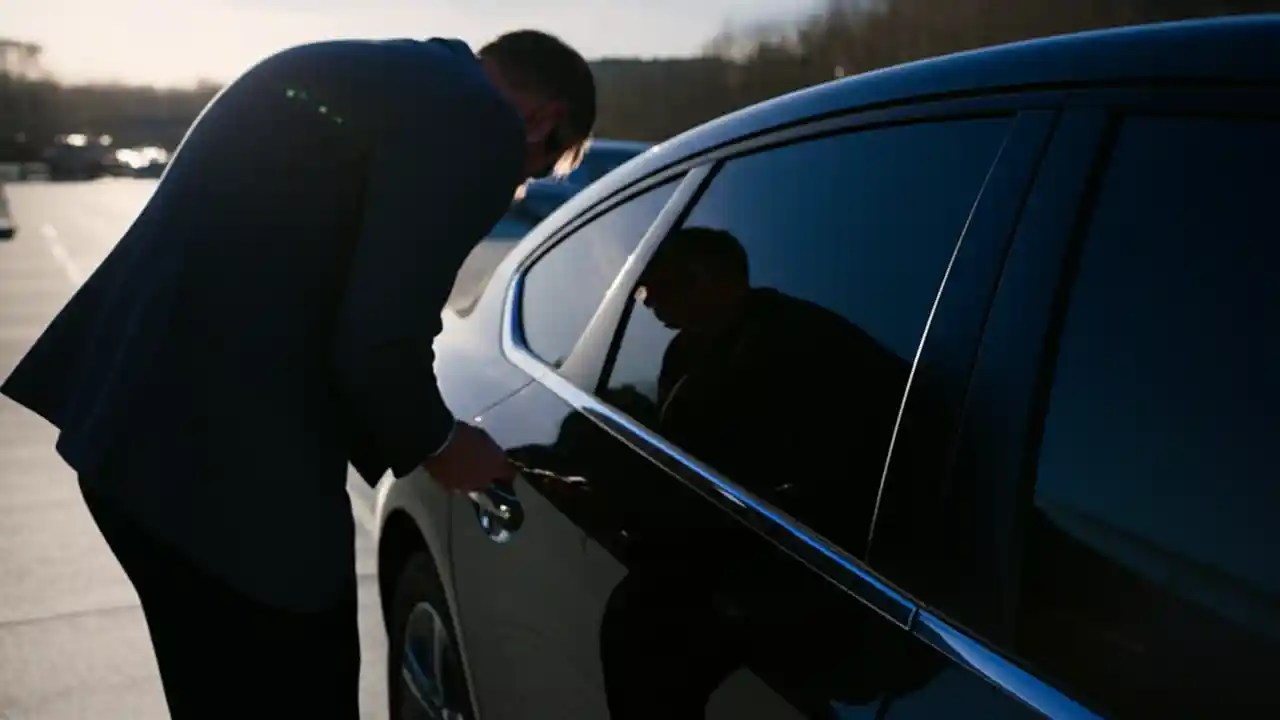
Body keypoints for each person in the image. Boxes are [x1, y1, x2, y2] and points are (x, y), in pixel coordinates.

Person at [0, 30, 595, 718]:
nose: (517, 179)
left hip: (133, 441)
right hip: (222, 479)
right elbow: (379, 336)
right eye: (538, 166)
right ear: (545, 120)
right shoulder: (475, 117)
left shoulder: (389, 74)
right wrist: (442, 444)